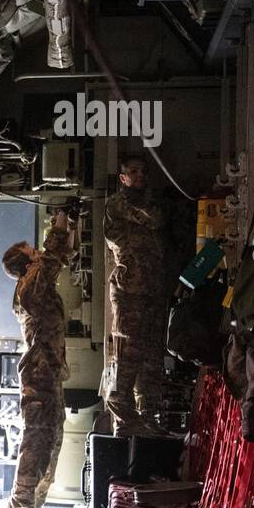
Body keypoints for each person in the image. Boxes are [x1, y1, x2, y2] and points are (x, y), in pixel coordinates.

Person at [0, 210, 75, 508]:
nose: (38, 251)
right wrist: (58, 224)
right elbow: (52, 259)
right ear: (25, 264)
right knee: (38, 442)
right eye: (32, 249)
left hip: (49, 372)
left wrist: (68, 227)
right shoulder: (30, 286)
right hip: (40, 375)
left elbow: (59, 257)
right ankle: (20, 507)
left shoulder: (35, 285)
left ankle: (35, 506)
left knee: (52, 441)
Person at [103, 155, 167, 436]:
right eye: (133, 171)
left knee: (152, 356)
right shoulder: (119, 203)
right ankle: (125, 423)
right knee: (127, 355)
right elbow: (155, 218)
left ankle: (149, 419)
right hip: (130, 291)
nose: (140, 175)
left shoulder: (145, 201)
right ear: (122, 178)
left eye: (143, 171)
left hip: (151, 289)